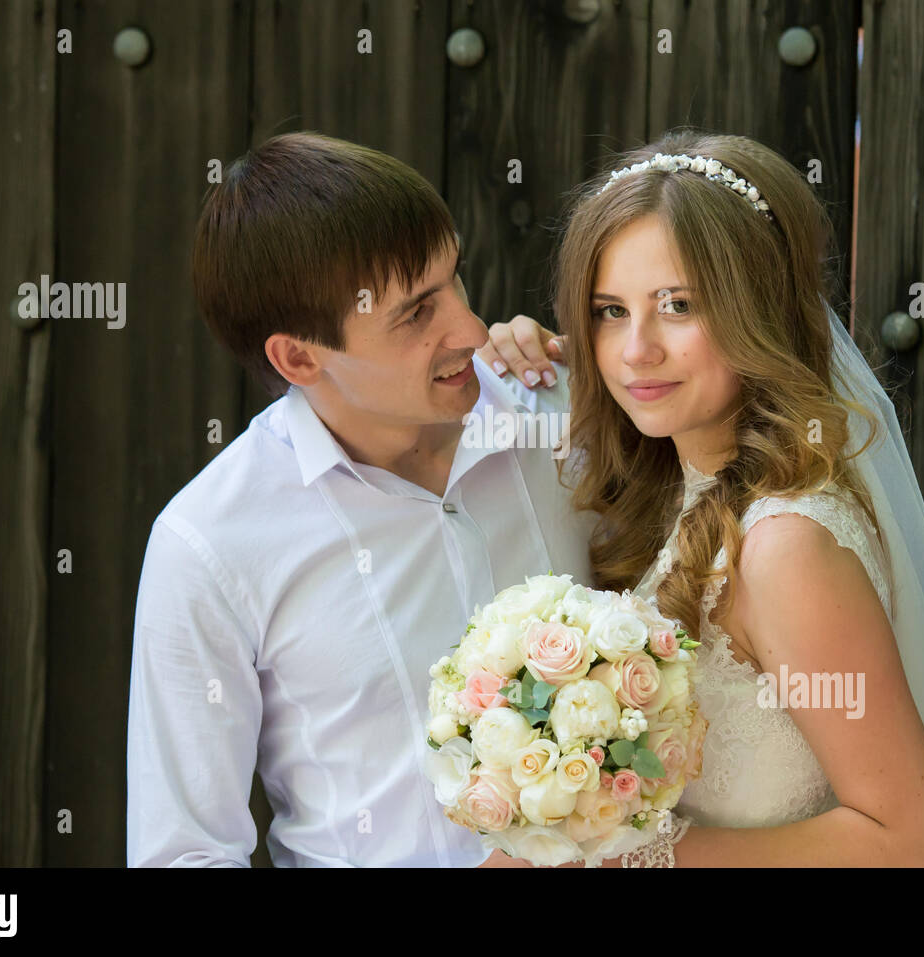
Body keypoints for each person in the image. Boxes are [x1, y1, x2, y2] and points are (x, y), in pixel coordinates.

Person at [478, 129, 924, 866]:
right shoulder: (678, 492)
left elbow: (921, 846)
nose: (636, 349)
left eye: (677, 305)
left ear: (755, 309)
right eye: (610, 310)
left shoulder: (784, 546)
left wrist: (622, 858)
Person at [125, 131, 594, 867]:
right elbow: (184, 854)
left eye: (454, 280)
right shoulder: (208, 543)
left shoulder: (557, 412)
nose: (469, 329)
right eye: (414, 314)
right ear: (299, 357)